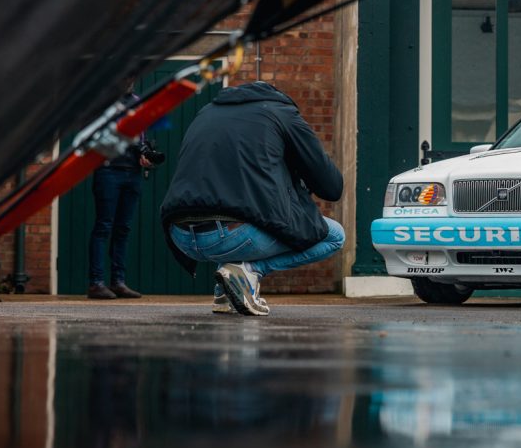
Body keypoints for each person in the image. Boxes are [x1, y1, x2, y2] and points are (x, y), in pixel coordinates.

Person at [160, 81, 344, 316]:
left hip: (181, 237)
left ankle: (224, 291)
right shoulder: (282, 112)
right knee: (335, 236)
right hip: (232, 236)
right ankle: (250, 271)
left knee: (237, 211)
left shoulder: (206, 112)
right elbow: (332, 188)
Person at [86, 81, 154, 300]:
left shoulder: (137, 102)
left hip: (133, 172)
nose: (128, 80)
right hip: (108, 171)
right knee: (104, 226)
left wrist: (145, 154)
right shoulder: (101, 103)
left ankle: (118, 282)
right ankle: (96, 283)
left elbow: (142, 138)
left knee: (123, 228)